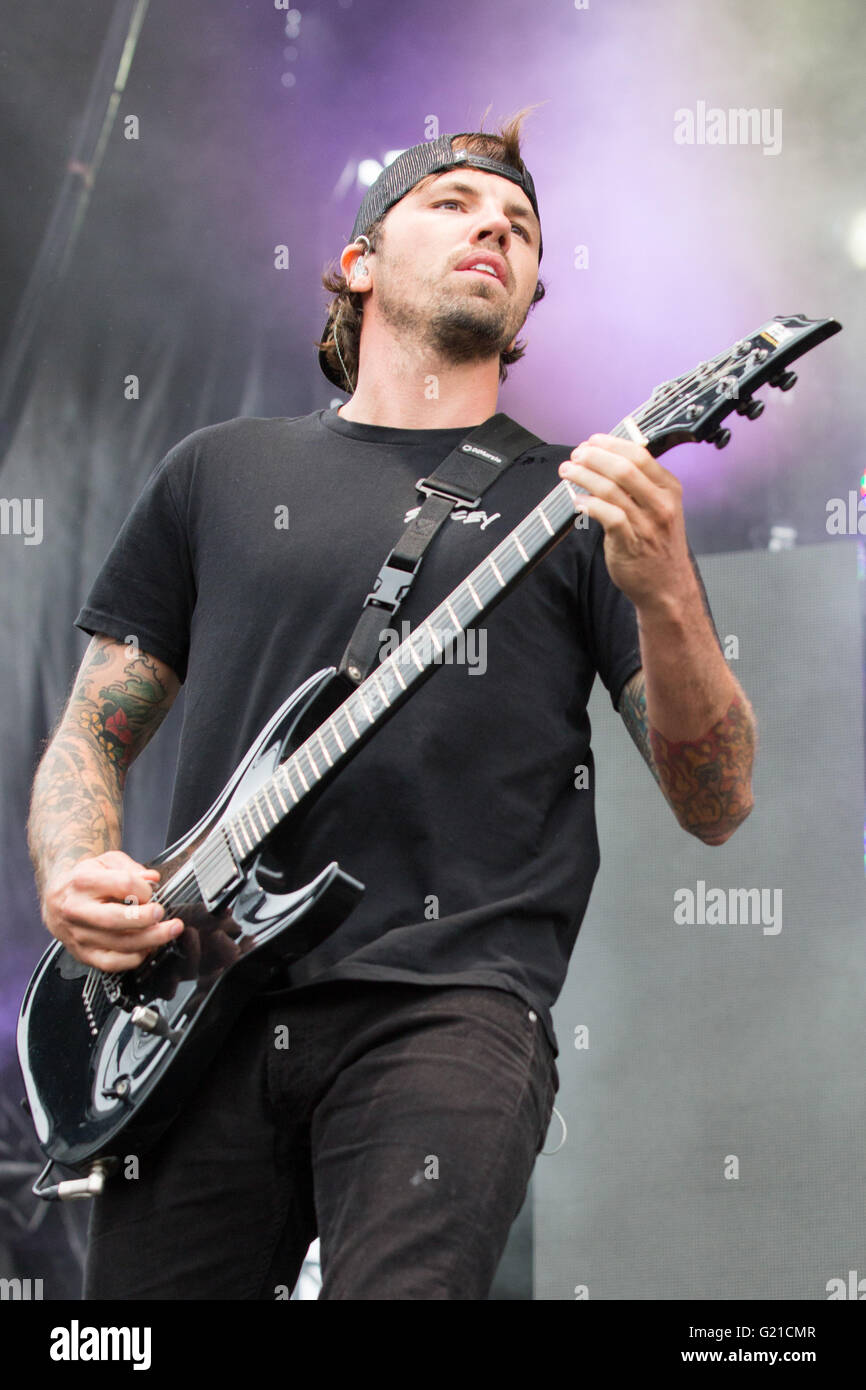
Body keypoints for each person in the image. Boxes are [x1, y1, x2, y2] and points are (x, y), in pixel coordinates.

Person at [27, 111, 757, 1300]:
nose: (495, 229)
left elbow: (715, 802)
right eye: (455, 204)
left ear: (526, 304)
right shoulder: (219, 469)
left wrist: (668, 588)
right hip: (190, 1010)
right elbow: (90, 734)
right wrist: (73, 871)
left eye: (519, 226)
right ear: (359, 259)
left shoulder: (576, 504)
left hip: (448, 1005)